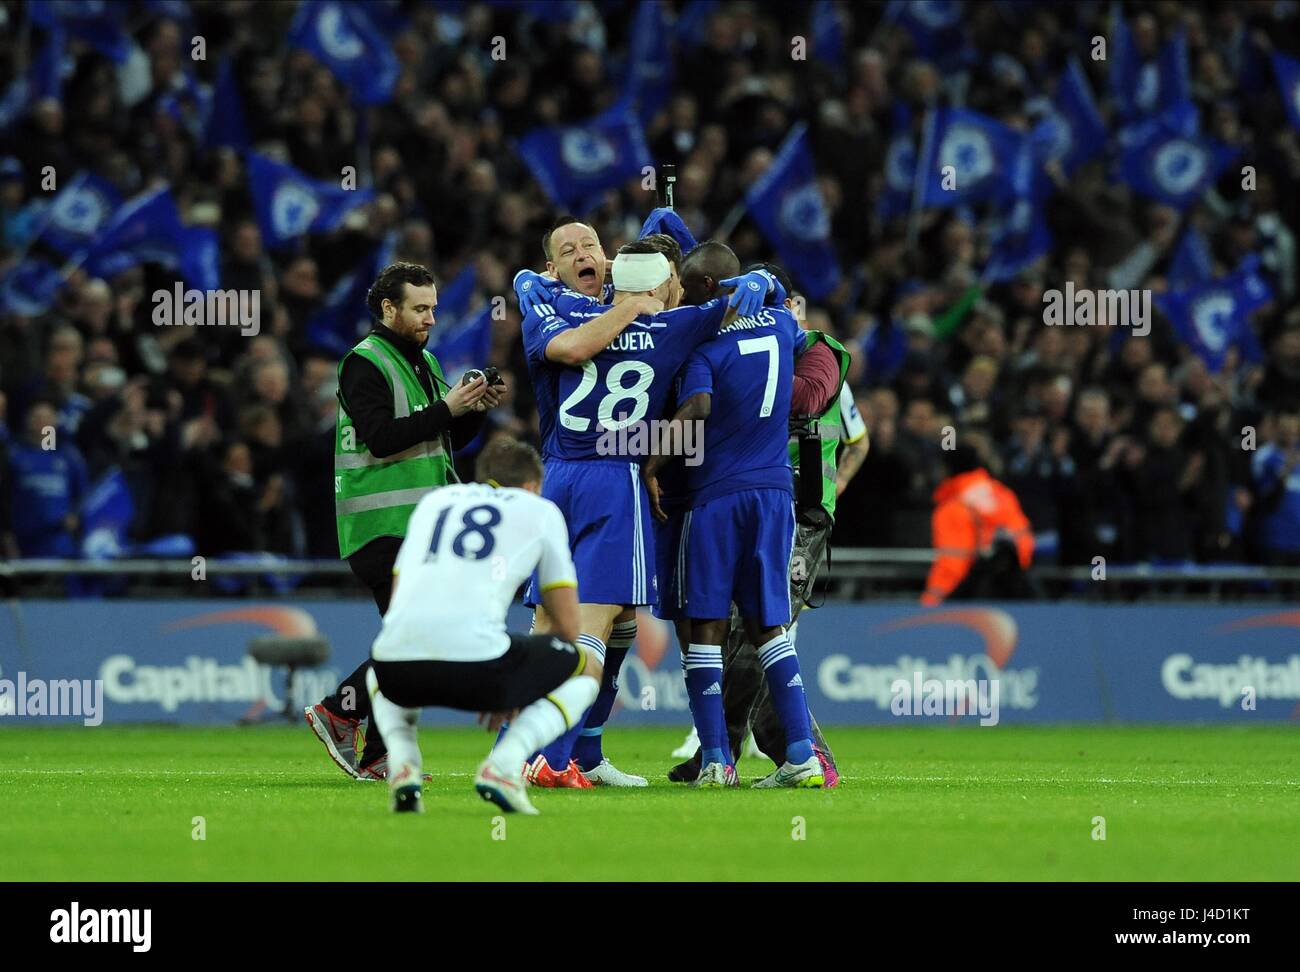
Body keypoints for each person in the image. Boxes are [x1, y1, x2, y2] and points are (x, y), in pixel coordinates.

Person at [516, 236, 749, 786]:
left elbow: (533, 287)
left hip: (558, 476)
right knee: (594, 628)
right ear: (662, 283)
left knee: (550, 625)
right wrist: (759, 282)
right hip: (616, 477)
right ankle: (553, 758)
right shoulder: (677, 327)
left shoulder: (564, 307)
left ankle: (532, 749)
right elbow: (731, 294)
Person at [303, 262, 506, 780]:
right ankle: (340, 711)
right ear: (387, 308)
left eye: (433, 308)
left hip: (419, 529)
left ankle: (374, 748)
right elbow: (381, 437)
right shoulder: (363, 362)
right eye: (419, 308)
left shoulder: (425, 361)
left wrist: (473, 408)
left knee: (419, 642)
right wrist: (446, 406)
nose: (430, 318)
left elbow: (446, 439)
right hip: (383, 528)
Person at [663, 262, 862, 786]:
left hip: (800, 513)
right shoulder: (762, 334)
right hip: (761, 498)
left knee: (752, 636)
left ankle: (790, 755)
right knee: (734, 632)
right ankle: (737, 750)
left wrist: (738, 369)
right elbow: (709, 273)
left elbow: (807, 399)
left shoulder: (824, 350)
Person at [364, 438, 595, 815]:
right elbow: (568, 627)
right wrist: (524, 686)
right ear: (534, 485)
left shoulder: (434, 503)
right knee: (587, 666)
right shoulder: (540, 510)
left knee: (381, 660)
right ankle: (505, 765)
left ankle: (404, 763)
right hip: (483, 668)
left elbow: (400, 594)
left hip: (395, 669)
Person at [921, 443, 1035, 605]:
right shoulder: (1002, 494)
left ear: (949, 469)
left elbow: (952, 565)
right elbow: (1024, 545)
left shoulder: (952, 509)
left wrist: (932, 601)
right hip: (1011, 593)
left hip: (969, 598)